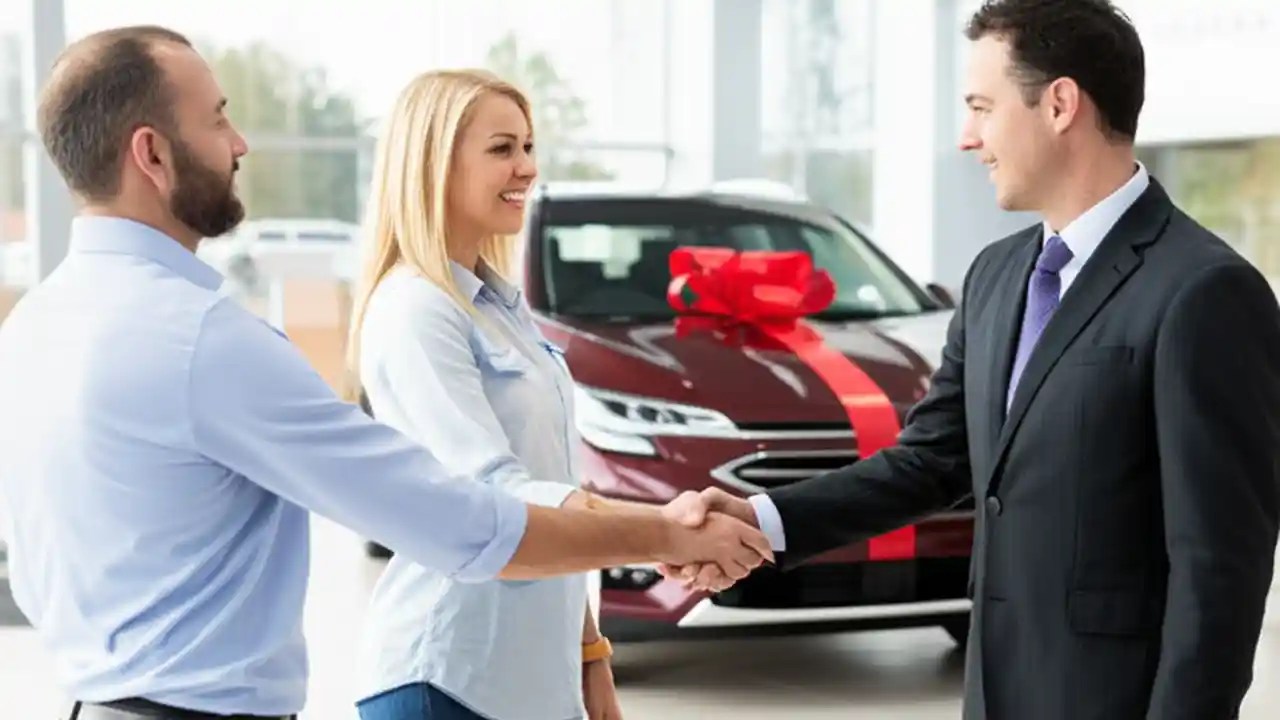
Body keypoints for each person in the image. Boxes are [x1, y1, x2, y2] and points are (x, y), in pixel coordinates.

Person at [0, 26, 771, 720]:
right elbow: (463, 521)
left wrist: (591, 643)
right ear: (151, 153)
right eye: (217, 118)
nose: (240, 143)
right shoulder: (204, 341)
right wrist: (660, 530)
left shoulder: (33, 326)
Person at [662, 1, 1280, 718]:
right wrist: (761, 519)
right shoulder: (995, 276)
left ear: (1059, 104)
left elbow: (1219, 574)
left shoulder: (1205, 291)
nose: (967, 138)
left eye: (981, 108)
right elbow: (930, 461)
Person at [343, 69, 621, 720]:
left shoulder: (498, 307)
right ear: (434, 165)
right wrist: (660, 532)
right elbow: (497, 496)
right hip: (448, 678)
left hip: (528, 681)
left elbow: (548, 484)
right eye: (502, 149)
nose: (526, 168)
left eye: (528, 146)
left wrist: (591, 656)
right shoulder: (416, 311)